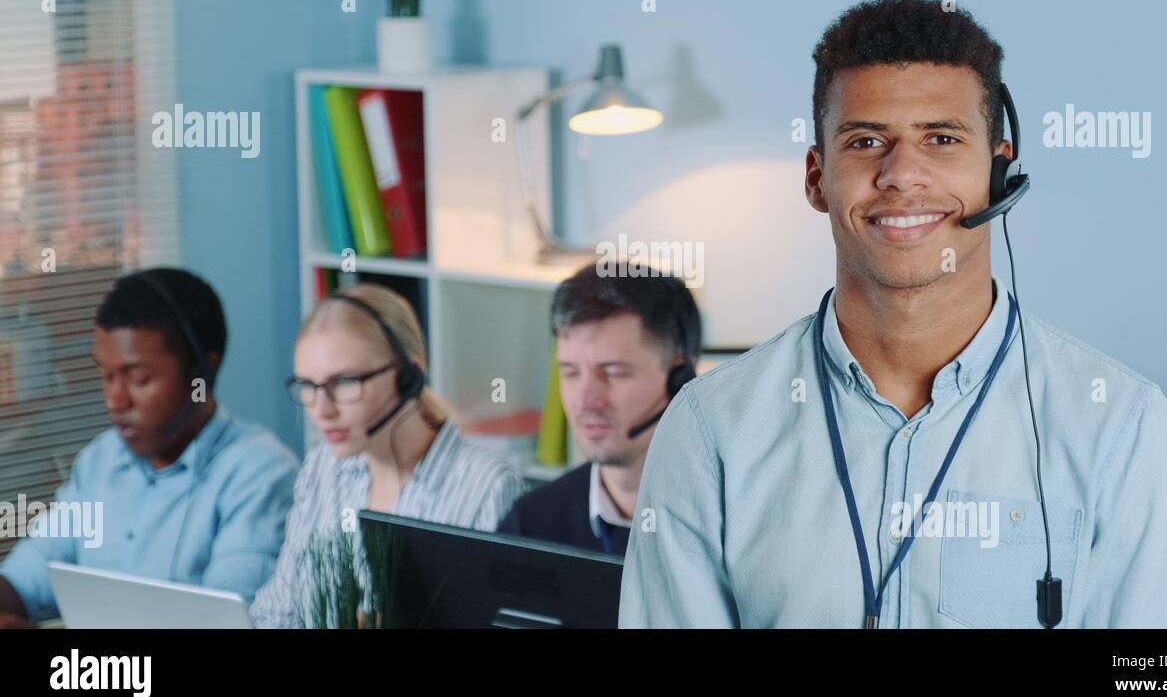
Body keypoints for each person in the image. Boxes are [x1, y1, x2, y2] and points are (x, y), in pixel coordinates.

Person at [619, 0, 1167, 628]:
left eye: (942, 138)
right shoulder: (709, 430)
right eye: (867, 141)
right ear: (816, 178)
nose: (902, 174)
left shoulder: (1121, 427)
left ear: (1000, 174)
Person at [0, 268, 298, 628]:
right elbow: (27, 576)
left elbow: (224, 625)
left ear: (202, 373)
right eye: (106, 375)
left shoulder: (259, 475)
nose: (115, 400)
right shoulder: (100, 460)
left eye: (139, 378)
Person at [250, 283, 525, 628]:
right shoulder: (323, 467)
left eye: (345, 382)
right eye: (308, 386)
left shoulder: (488, 489)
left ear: (409, 375)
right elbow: (276, 612)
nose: (322, 410)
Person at [497, 263, 701, 555]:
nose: (585, 400)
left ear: (680, 379)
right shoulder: (529, 526)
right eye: (570, 373)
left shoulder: (737, 520)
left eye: (614, 372)